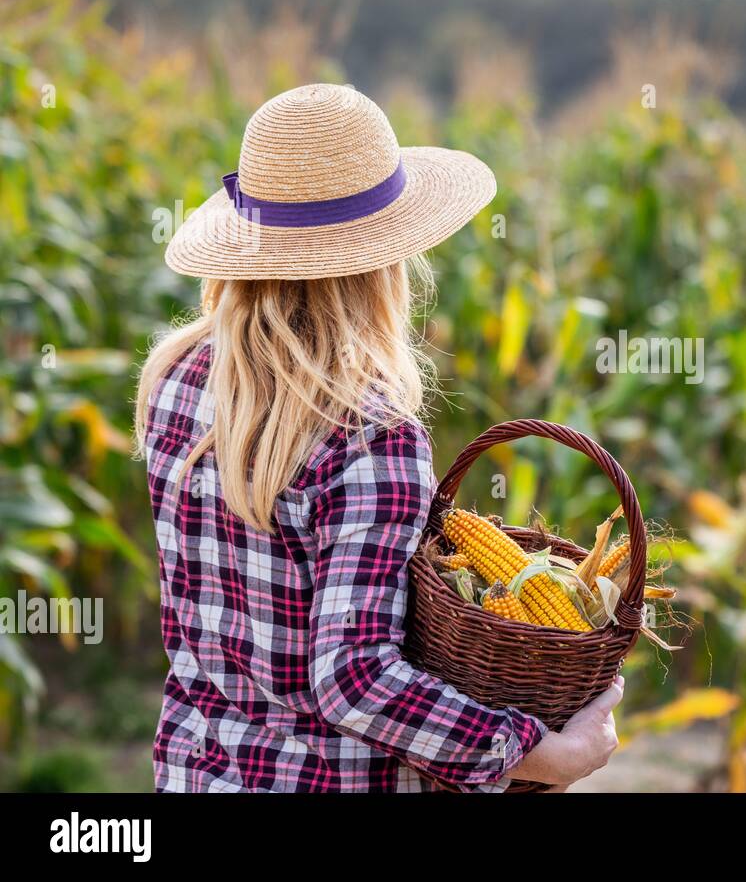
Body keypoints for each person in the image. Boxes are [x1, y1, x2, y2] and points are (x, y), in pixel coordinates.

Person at [134, 83, 620, 792]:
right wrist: (543, 752)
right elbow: (354, 680)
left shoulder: (175, 377)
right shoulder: (370, 432)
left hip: (197, 774)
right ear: (385, 261)